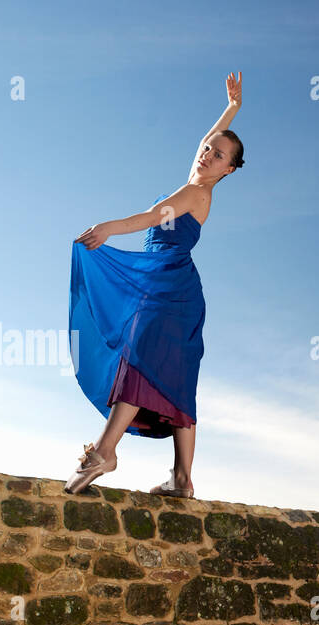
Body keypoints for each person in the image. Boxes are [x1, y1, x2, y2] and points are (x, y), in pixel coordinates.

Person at [65, 71, 244, 498]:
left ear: (230, 169)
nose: (207, 154)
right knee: (173, 378)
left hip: (168, 289)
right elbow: (208, 137)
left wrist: (107, 228)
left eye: (217, 155)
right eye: (206, 149)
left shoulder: (195, 194)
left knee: (140, 363)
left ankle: (104, 453)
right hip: (171, 288)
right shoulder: (199, 183)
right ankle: (182, 480)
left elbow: (148, 218)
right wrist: (233, 107)